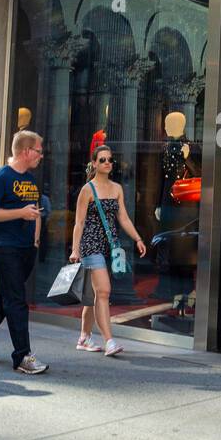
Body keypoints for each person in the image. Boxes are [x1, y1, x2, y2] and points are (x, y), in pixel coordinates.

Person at [0, 131, 50, 375]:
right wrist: (20, 213)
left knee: (5, 297)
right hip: (4, 248)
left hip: (26, 248)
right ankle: (22, 356)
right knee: (16, 300)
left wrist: (35, 241)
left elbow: (35, 211)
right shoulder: (1, 177)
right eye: (39, 151)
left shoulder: (31, 179)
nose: (41, 155)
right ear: (26, 151)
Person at [71, 145, 147, 358]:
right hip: (91, 245)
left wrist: (138, 238)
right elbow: (79, 222)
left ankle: (84, 337)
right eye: (102, 160)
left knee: (94, 295)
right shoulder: (87, 190)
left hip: (111, 246)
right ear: (94, 164)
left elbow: (123, 218)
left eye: (110, 160)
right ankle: (109, 341)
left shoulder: (117, 188)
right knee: (104, 291)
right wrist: (75, 249)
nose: (107, 163)